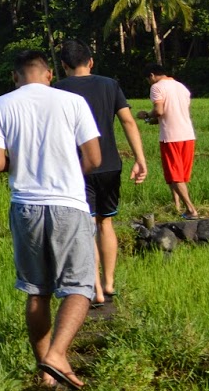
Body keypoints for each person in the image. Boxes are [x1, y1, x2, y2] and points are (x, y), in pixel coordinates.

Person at [0, 49, 102, 391]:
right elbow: (93, 157)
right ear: (49, 75)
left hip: (25, 206)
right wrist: (67, 173)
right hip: (69, 204)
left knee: (37, 292)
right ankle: (58, 354)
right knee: (79, 287)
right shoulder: (73, 102)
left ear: (15, 77)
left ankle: (46, 374)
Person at [53, 40, 147, 305]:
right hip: (109, 164)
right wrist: (140, 159)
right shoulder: (109, 84)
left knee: (86, 226)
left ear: (63, 65)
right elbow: (128, 121)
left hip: (77, 167)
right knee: (106, 222)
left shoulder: (58, 90)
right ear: (90, 61)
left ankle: (95, 288)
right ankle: (109, 282)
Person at [143, 64, 198, 218]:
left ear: (152, 75)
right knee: (178, 174)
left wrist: (146, 115)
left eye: (148, 79)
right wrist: (151, 120)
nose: (149, 81)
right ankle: (177, 205)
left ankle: (191, 210)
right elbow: (171, 113)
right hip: (187, 135)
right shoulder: (182, 87)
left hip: (171, 137)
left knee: (175, 175)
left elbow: (159, 111)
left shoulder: (157, 87)